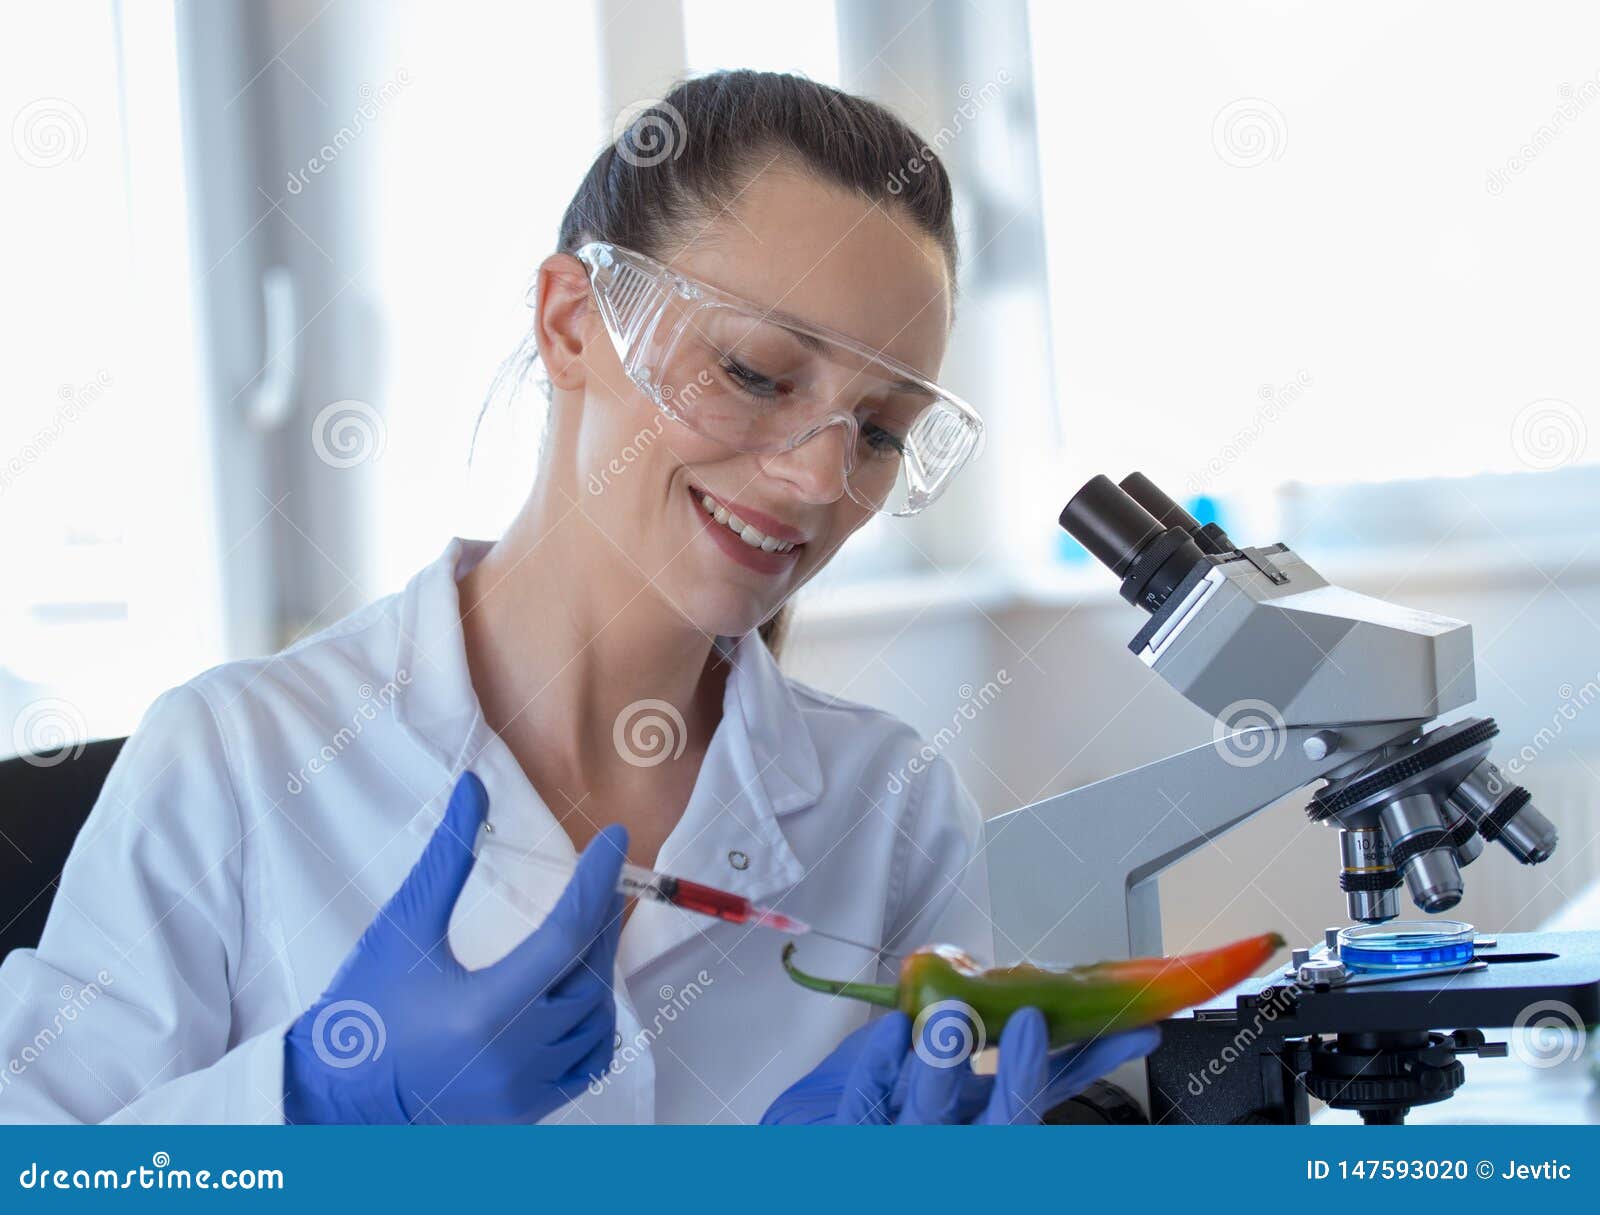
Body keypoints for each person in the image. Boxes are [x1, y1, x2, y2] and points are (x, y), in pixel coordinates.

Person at [0, 70, 1155, 1124]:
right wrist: (317, 1102)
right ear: (569, 323)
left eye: (881, 432)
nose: (818, 479)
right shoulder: (236, 759)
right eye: (754, 372)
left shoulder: (890, 806)